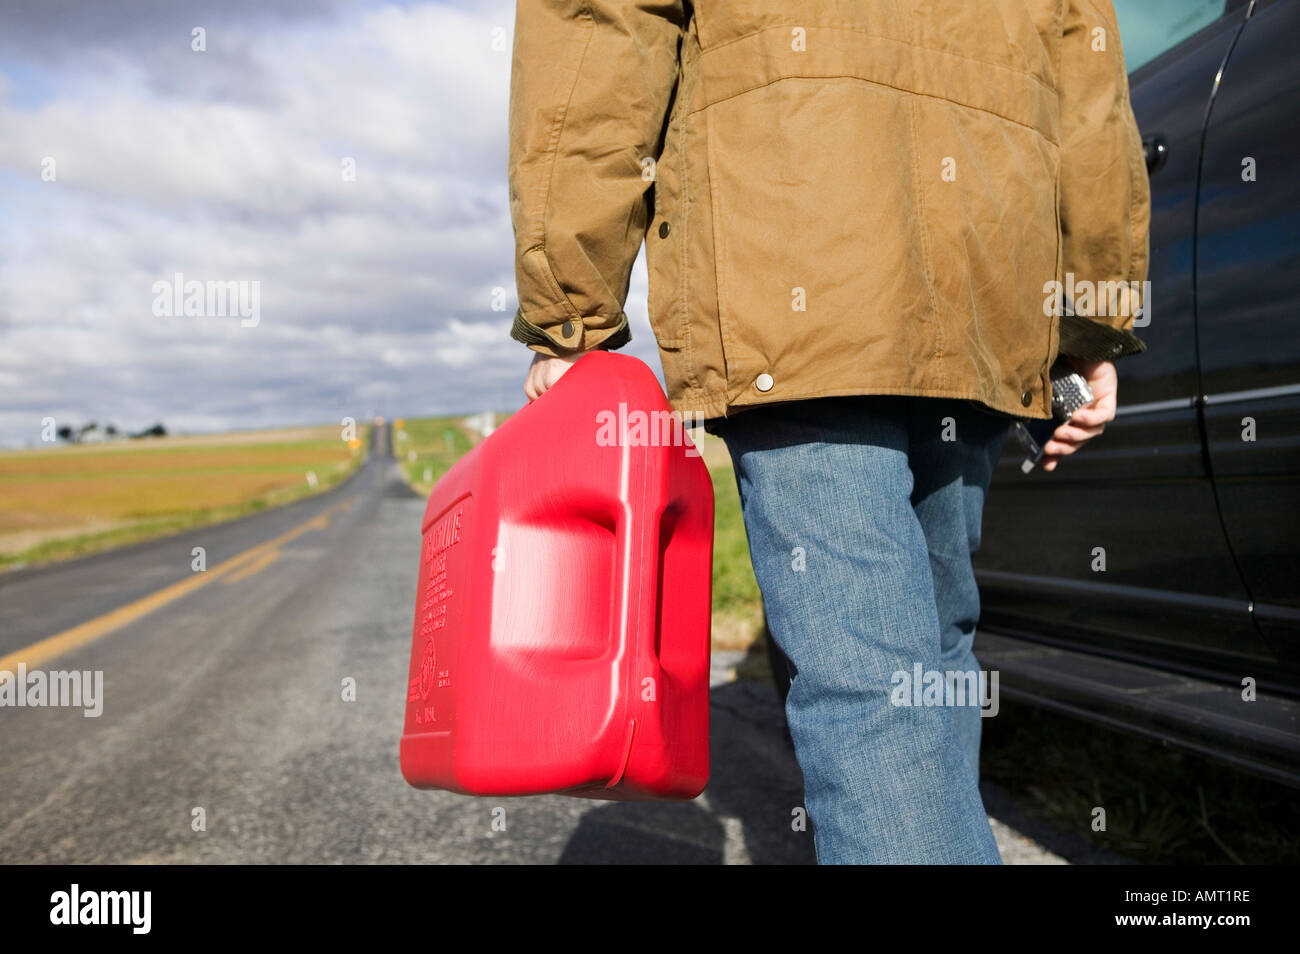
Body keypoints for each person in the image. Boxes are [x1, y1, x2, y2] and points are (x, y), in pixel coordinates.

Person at [508, 0, 1149, 863]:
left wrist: (571, 317)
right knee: (930, 651)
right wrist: (1089, 323)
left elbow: (597, 30)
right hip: (987, 290)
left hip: (796, 279)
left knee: (872, 686)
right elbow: (1091, 93)